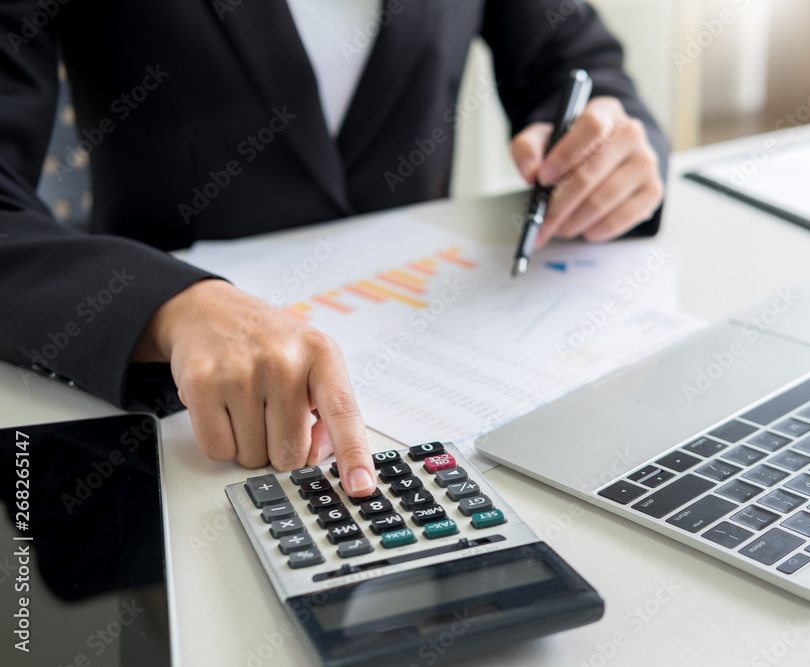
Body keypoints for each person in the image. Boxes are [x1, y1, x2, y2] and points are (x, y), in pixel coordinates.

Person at [0, 0, 668, 497]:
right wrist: (167, 306)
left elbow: (576, 61)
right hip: (180, 431)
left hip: (442, 379)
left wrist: (605, 144)